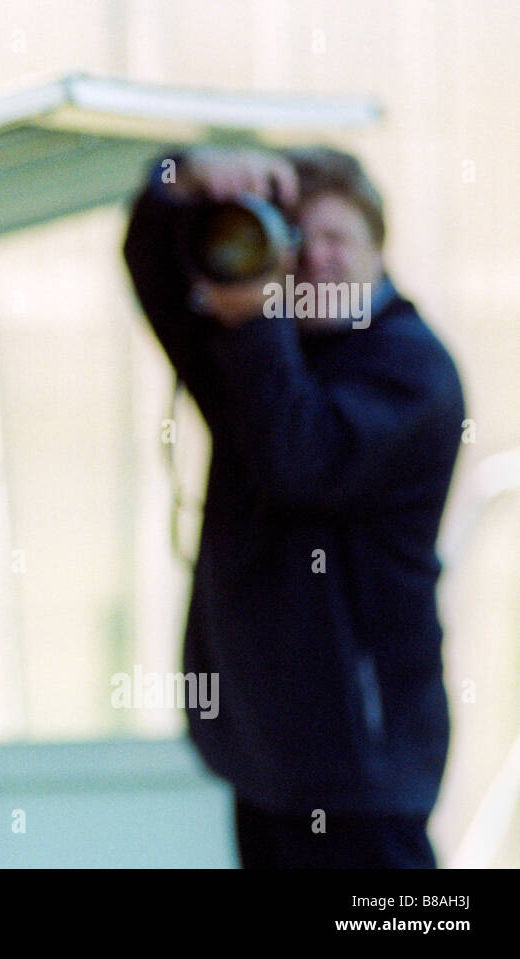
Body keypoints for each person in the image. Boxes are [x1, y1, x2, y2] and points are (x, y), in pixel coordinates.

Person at [122, 144, 465, 868]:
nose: (316, 260)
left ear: (379, 249)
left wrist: (250, 324)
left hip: (362, 772)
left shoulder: (412, 369)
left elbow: (302, 458)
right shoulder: (260, 349)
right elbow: (153, 262)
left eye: (338, 238)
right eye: (298, 238)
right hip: (263, 759)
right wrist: (184, 175)